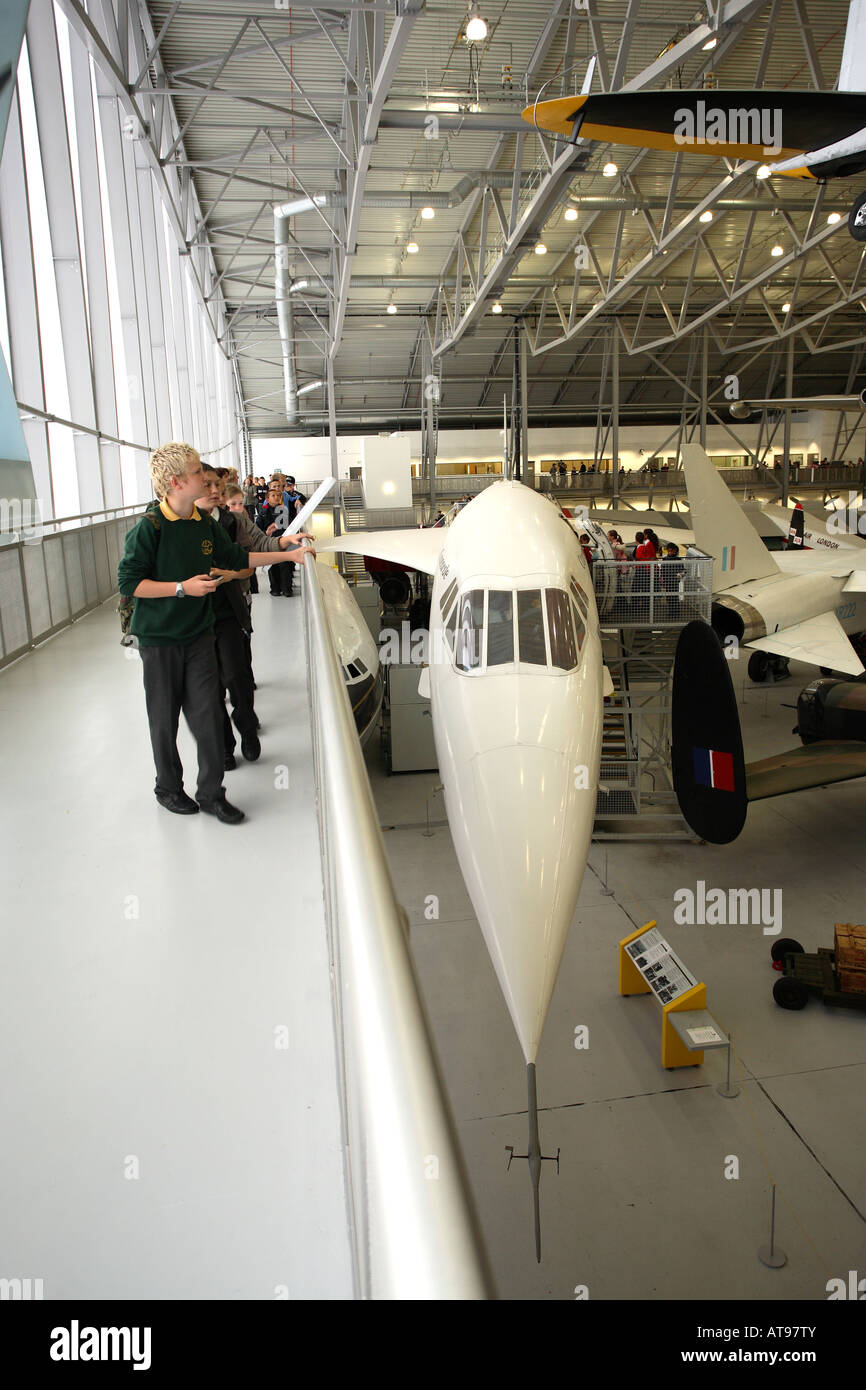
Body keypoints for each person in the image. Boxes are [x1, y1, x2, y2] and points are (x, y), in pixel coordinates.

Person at [117, 441, 312, 824]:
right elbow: (129, 582)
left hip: (200, 634)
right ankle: (168, 788)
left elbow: (238, 558)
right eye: (197, 475)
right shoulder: (149, 528)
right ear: (175, 482)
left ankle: (211, 792)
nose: (207, 483)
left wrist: (287, 554)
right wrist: (180, 588)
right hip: (160, 641)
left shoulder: (204, 523)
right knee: (164, 717)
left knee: (207, 714)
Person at [257, 481, 296, 595]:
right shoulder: (263, 513)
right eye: (273, 496)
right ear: (267, 499)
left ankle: (287, 589)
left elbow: (290, 525)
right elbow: (258, 529)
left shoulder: (284, 511)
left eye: (278, 495)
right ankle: (275, 589)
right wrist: (266, 532)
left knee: (286, 565)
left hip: (283, 541)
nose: (276, 497)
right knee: (272, 567)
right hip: (269, 543)